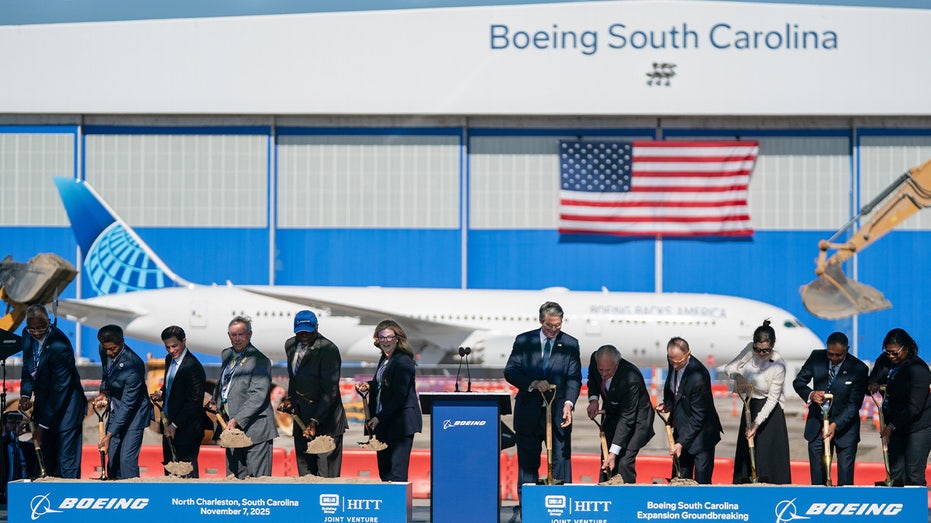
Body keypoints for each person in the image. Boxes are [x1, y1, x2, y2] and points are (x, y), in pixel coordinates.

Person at [503, 301, 582, 500]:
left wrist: (568, 404)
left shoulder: (571, 344)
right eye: (549, 326)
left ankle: (560, 505)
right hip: (528, 412)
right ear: (540, 321)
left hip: (557, 415)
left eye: (558, 325)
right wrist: (532, 383)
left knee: (560, 461)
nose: (553, 330)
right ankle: (527, 506)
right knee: (528, 463)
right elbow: (511, 371)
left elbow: (574, 378)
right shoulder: (524, 341)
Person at [792, 331, 868, 486]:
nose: (833, 359)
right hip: (817, 426)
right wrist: (811, 394)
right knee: (818, 476)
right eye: (830, 354)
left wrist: (835, 424)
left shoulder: (859, 368)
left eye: (838, 355)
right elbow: (798, 382)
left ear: (847, 350)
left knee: (845, 477)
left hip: (845, 429)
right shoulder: (816, 358)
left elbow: (854, 405)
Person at [18, 304, 85, 478]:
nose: (36, 332)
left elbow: (59, 390)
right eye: (31, 328)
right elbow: (27, 366)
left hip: (66, 409)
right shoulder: (26, 335)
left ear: (48, 322)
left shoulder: (60, 345)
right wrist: (25, 394)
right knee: (45, 458)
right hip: (45, 404)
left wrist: (42, 427)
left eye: (40, 328)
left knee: (66, 461)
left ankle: (69, 498)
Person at [279, 310, 348, 477]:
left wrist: (315, 421)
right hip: (301, 416)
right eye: (300, 331)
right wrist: (290, 399)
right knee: (306, 472)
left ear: (316, 327)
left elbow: (330, 390)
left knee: (326, 474)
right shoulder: (290, 345)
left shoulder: (328, 349)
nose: (304, 335)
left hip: (326, 418)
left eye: (308, 331)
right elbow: (294, 378)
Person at [723, 321, 791, 484]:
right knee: (746, 453)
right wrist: (737, 376)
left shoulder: (778, 365)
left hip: (770, 411)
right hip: (750, 405)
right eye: (757, 349)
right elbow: (729, 368)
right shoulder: (749, 350)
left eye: (765, 350)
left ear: (773, 345)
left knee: (767, 456)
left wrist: (756, 424)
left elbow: (773, 398)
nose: (761, 353)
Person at [211, 315, 278, 478]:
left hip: (256, 430)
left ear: (249, 335)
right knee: (234, 478)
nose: (237, 339)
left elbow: (258, 396)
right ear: (229, 336)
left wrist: (237, 420)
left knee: (257, 480)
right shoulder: (226, 354)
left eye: (241, 334)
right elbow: (226, 382)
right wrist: (216, 401)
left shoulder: (260, 360)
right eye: (234, 335)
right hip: (231, 428)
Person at [354, 320, 422, 482]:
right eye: (382, 337)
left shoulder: (403, 361)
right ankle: (388, 506)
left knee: (397, 472)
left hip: (400, 424)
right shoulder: (384, 359)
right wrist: (369, 385)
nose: (385, 341)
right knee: (384, 471)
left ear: (397, 338)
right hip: (383, 422)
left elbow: (399, 395)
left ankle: (398, 507)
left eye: (389, 337)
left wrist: (379, 417)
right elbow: (383, 383)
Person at [585, 344, 655, 483]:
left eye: (608, 370)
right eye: (601, 369)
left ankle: (626, 497)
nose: (603, 374)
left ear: (617, 364)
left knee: (623, 461)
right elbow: (593, 378)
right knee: (606, 459)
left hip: (636, 421)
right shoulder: (596, 359)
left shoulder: (631, 378)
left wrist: (614, 452)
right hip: (612, 413)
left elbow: (626, 418)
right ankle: (606, 492)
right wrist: (593, 400)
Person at [92, 324, 153, 479]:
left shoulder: (134, 366)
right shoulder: (104, 350)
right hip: (115, 408)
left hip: (135, 413)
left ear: (122, 342)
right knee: (113, 456)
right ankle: (114, 491)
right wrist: (103, 392)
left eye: (113, 349)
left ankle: (131, 494)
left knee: (126, 458)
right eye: (106, 349)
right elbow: (106, 373)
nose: (109, 352)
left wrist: (110, 434)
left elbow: (128, 405)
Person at [661, 337, 722, 484]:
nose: (675, 366)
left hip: (702, 436)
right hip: (682, 430)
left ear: (688, 354)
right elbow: (672, 386)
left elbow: (699, 417)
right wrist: (668, 404)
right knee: (680, 478)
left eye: (679, 362)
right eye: (672, 361)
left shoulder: (698, 376)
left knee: (701, 482)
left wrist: (681, 443)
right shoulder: (674, 361)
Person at [150, 325, 207, 478]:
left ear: (184, 341)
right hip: (169, 424)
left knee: (186, 472)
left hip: (187, 429)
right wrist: (162, 392)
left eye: (174, 346)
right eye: (167, 347)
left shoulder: (193, 367)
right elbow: (171, 383)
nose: (171, 350)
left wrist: (175, 425)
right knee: (170, 469)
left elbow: (194, 402)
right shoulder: (170, 359)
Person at [878, 328, 931, 486]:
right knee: (896, 473)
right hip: (895, 424)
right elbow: (873, 381)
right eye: (888, 352)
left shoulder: (919, 369)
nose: (891, 356)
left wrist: (891, 426)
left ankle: (915, 509)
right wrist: (873, 384)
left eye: (895, 353)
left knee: (913, 473)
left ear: (906, 348)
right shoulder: (884, 361)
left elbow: (914, 407)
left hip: (918, 426)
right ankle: (899, 508)